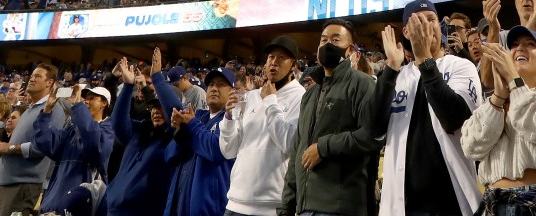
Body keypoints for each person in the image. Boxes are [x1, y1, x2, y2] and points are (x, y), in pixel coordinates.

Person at [373, 0, 480, 216]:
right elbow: (373, 129)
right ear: (406, 32)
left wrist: (424, 60)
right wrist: (391, 69)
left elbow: (455, 119)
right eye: (418, 22)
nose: (426, 25)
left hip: (452, 200)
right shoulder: (396, 76)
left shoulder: (460, 65)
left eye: (431, 19)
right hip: (403, 204)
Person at [460, 25, 536, 215]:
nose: (520, 48)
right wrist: (498, 97)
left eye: (530, 44)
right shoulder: (495, 101)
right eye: (514, 45)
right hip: (494, 202)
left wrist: (514, 80)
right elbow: (471, 147)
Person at [280, 19, 377, 216]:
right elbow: (298, 151)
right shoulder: (310, 93)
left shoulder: (363, 85)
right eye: (323, 40)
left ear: (350, 50)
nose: (327, 45)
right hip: (305, 208)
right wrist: (287, 206)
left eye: (335, 40)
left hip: (341, 208)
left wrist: (324, 147)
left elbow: (371, 137)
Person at [219, 36, 305, 216]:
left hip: (272, 205)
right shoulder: (251, 96)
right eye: (271, 57)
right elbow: (229, 150)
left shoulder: (301, 97)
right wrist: (228, 118)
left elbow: (290, 144)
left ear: (293, 65)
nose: (274, 62)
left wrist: (270, 102)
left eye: (281, 58)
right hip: (235, 200)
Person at [152, 49, 235, 216]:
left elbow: (215, 151)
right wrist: (181, 134)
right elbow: (169, 155)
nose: (214, 88)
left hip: (209, 209)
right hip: (178, 204)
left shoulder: (232, 122)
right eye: (211, 84)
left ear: (232, 91)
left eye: (221, 84)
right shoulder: (198, 116)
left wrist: (159, 81)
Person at [0, 64, 67, 216]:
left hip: (23, 186)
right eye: (31, 76)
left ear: (49, 82)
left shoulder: (54, 108)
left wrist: (9, 148)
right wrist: (0, 147)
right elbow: (15, 144)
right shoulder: (29, 109)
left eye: (37, 76)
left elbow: (43, 147)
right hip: (5, 184)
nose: (32, 79)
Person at [104, 59, 174, 216]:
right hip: (113, 209)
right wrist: (128, 86)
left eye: (161, 107)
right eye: (153, 107)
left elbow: (174, 112)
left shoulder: (172, 139)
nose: (156, 111)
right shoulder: (140, 129)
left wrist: (151, 83)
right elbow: (117, 122)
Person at [33, 84, 115, 216]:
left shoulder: (108, 128)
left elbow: (96, 149)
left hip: (79, 205)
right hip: (52, 203)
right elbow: (45, 143)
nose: (85, 101)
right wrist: (47, 110)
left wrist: (78, 107)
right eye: (84, 99)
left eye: (92, 98)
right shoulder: (71, 129)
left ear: (104, 103)